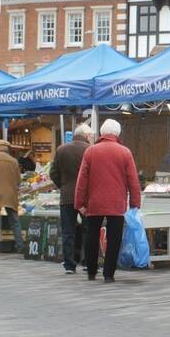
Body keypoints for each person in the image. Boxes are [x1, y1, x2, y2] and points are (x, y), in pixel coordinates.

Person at [75, 119, 141, 283]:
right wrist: (135, 203)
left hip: (94, 202)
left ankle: (91, 271)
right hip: (116, 203)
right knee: (114, 238)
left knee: (92, 236)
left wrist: (79, 203)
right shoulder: (125, 152)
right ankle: (109, 274)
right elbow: (133, 181)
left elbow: (82, 180)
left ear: (102, 133)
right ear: (117, 133)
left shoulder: (90, 152)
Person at [50, 124, 92, 275]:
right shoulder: (90, 150)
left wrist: (63, 185)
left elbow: (53, 173)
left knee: (68, 231)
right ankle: (88, 262)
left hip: (67, 196)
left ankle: (69, 264)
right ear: (87, 136)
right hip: (86, 197)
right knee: (88, 230)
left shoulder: (61, 149)